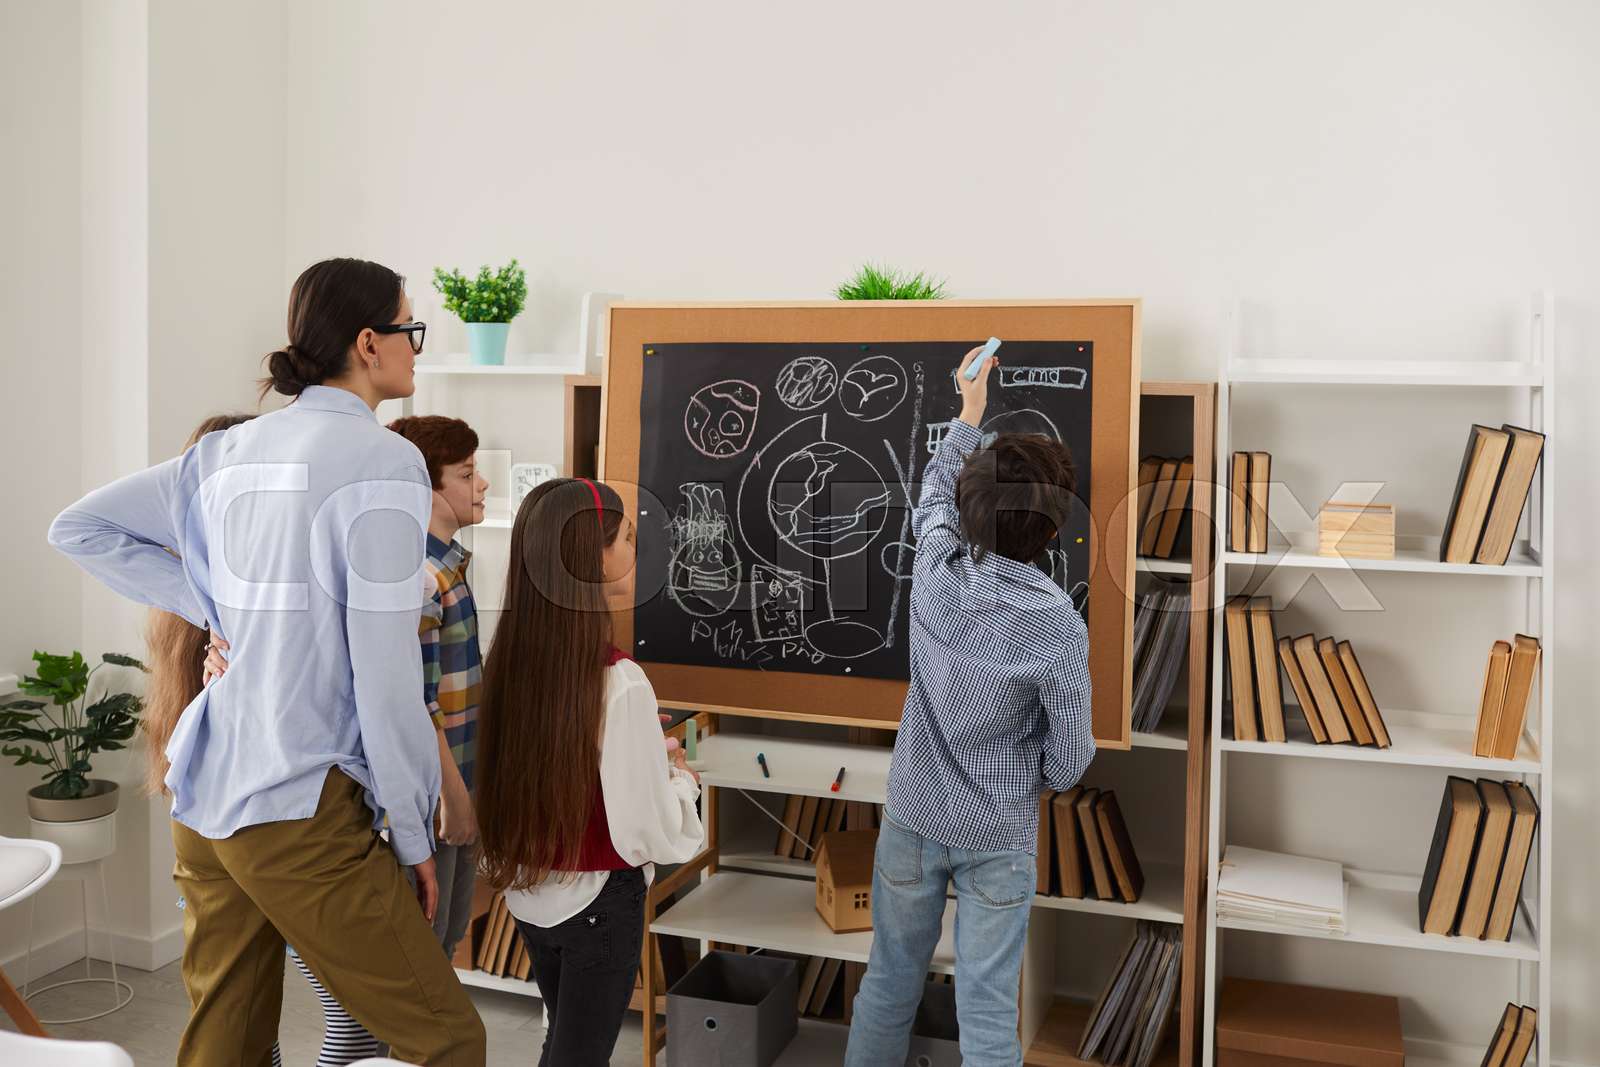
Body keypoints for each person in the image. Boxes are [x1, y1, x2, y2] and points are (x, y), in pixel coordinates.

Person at [49, 257, 487, 1066]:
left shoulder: (229, 451)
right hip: (296, 805)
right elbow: (386, 678)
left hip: (205, 797)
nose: (416, 349)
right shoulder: (385, 462)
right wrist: (416, 838)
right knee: (449, 1039)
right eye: (410, 330)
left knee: (226, 1045)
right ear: (368, 342)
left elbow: (79, 528)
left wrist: (214, 603)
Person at [844, 345, 1095, 1067]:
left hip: (914, 813)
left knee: (888, 983)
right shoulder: (1056, 621)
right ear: (1052, 529)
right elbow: (1072, 757)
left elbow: (931, 497)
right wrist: (1030, 775)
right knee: (986, 1012)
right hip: (998, 832)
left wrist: (968, 410)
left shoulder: (934, 567)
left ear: (968, 505)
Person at [476, 477, 704, 1067]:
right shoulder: (619, 681)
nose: (636, 548)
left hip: (533, 890)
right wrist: (679, 779)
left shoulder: (507, 660)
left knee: (564, 1041)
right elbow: (647, 828)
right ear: (594, 560)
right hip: (600, 899)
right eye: (627, 536)